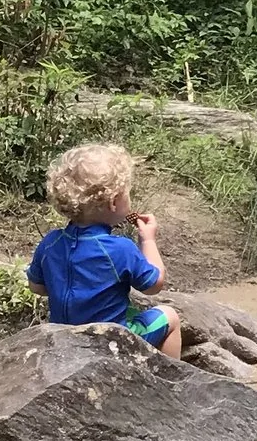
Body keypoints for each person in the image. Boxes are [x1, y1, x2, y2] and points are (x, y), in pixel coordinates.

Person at [26, 141, 181, 357]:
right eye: (128, 193)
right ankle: (170, 375)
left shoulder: (51, 242)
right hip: (110, 343)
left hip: (63, 338)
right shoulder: (120, 249)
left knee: (131, 309)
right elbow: (154, 285)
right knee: (170, 316)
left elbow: (36, 287)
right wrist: (148, 241)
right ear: (114, 202)